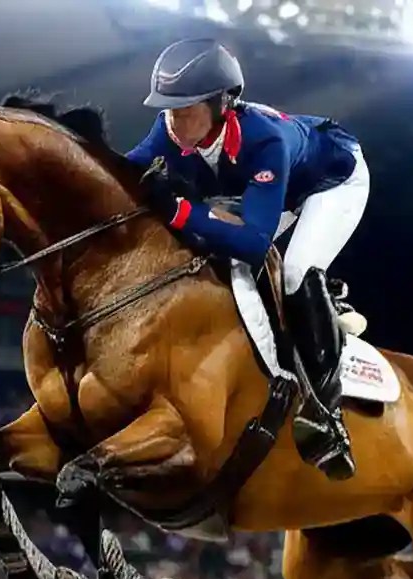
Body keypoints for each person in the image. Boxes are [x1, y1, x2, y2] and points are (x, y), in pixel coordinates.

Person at [125, 38, 370, 480]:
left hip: (331, 181)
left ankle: (326, 412)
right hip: (269, 193)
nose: (173, 121)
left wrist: (180, 210)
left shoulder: (263, 139)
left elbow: (255, 242)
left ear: (222, 104)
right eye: (168, 108)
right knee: (202, 249)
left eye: (185, 108)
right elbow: (122, 173)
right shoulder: (170, 128)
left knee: (294, 271)